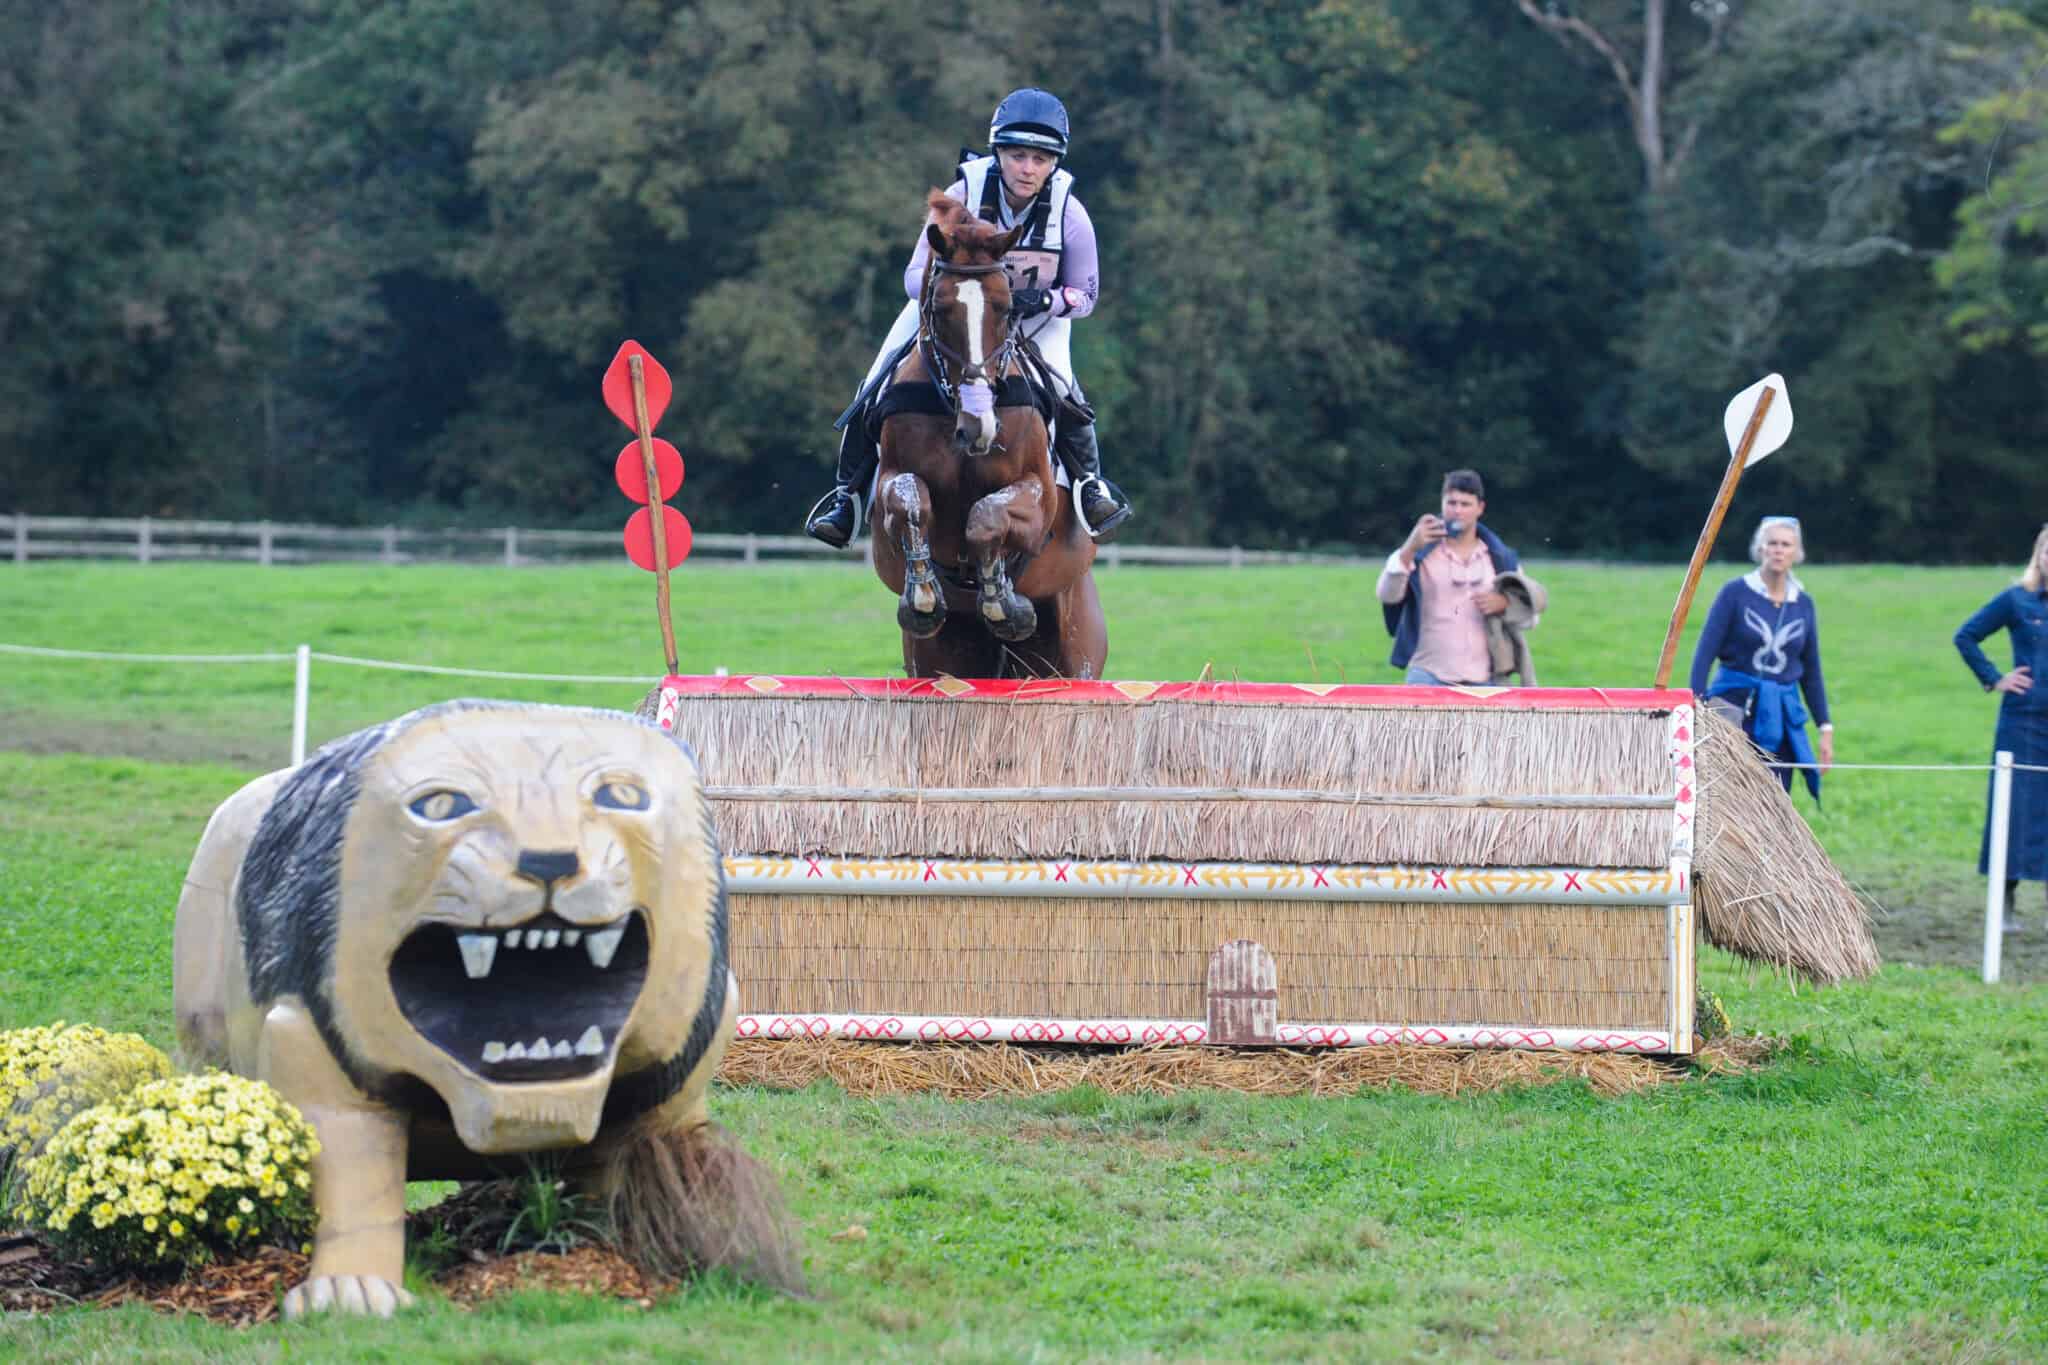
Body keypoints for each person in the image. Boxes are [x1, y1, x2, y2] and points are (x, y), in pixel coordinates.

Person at [803, 88, 1132, 548]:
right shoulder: (962, 195)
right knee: (875, 383)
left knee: (1064, 391)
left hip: (1034, 322)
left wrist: (1043, 302)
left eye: (1040, 158)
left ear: (1053, 163)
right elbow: (915, 271)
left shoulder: (1069, 212)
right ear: (999, 153)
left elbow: (1088, 294)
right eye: (1018, 155)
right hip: (951, 316)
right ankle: (846, 498)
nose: (1028, 168)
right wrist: (949, 299)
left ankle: (1090, 485)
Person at [1689, 515, 1834, 800]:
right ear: (1761, 549)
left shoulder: (1802, 604)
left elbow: (1811, 669)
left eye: (1786, 544)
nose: (1779, 550)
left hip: (1781, 713)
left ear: (1796, 552)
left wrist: (1824, 727)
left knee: (1777, 799)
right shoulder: (1735, 593)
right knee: (1729, 797)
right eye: (1773, 543)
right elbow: (1704, 653)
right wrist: (1695, 704)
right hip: (1732, 709)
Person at [1953, 523, 2048, 933]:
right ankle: (2004, 902)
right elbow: (1967, 636)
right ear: (2038, 556)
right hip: (2022, 723)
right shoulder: (2017, 599)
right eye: (2047, 551)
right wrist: (1995, 678)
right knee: (2015, 811)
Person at [1377, 469, 1526, 686]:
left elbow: (1531, 616)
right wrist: (1409, 548)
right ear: (1442, 504)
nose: (1457, 511)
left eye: (1465, 504)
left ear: (1480, 508)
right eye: (1451, 503)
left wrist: (1505, 603)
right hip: (1427, 676)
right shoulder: (1419, 553)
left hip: (1485, 680)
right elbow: (1387, 595)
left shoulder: (1500, 557)